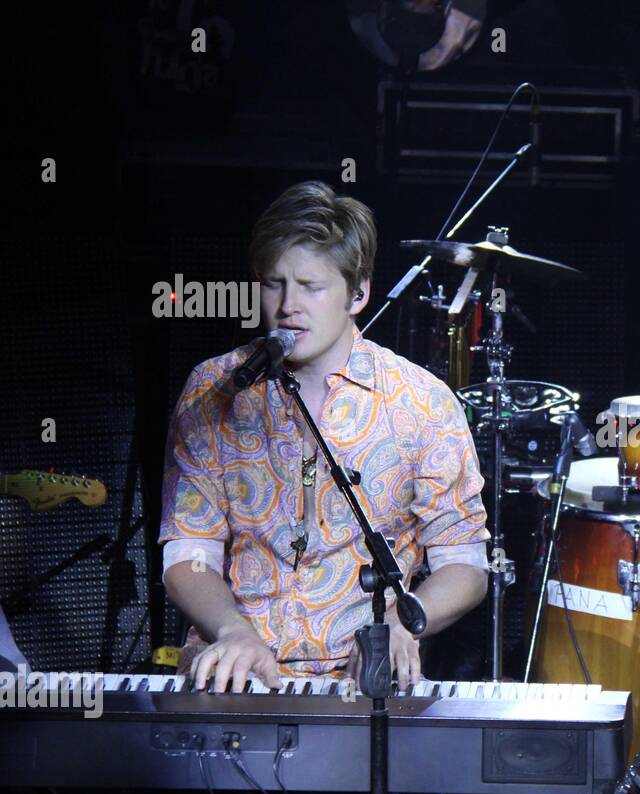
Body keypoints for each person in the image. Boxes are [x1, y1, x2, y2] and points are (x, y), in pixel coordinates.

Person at [160, 181, 489, 693]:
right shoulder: (212, 390)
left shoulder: (423, 403)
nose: (288, 305)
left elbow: (464, 563)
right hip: (232, 678)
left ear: (358, 293)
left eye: (311, 287)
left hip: (365, 686)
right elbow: (186, 552)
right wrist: (232, 631)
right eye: (274, 284)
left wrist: (404, 624)